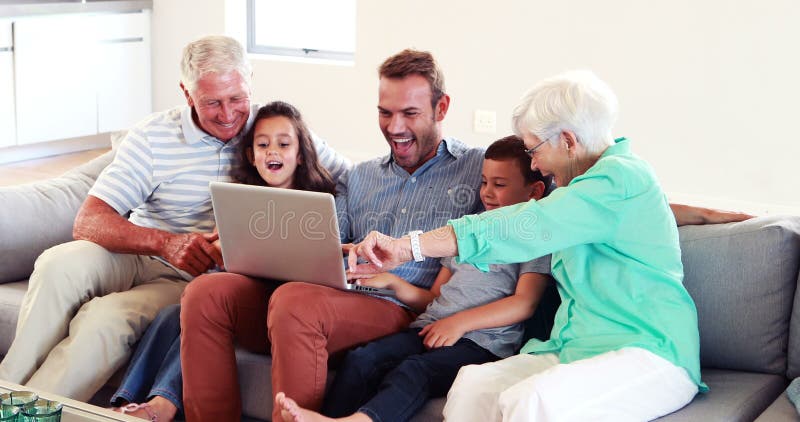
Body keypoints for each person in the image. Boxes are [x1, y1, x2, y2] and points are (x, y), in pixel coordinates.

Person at [346, 70, 721, 421]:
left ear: (569, 141)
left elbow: (525, 224)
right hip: (573, 349)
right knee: (472, 385)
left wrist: (409, 246)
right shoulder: (587, 193)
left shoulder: (620, 178)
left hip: (650, 354)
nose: (536, 165)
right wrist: (706, 214)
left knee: (531, 400)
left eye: (534, 150)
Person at [0, 35, 349, 402]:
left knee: (107, 317)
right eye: (212, 102)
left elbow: (352, 181)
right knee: (58, 263)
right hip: (137, 253)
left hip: (191, 278)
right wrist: (164, 243)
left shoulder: (271, 131)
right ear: (187, 93)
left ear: (250, 81)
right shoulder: (154, 136)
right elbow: (88, 221)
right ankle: (7, 387)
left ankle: (30, 408)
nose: (228, 114)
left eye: (237, 99)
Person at [179, 48, 486, 422]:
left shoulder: (479, 169)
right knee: (206, 293)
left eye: (410, 113)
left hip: (400, 309)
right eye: (385, 113)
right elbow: (318, 246)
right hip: (332, 298)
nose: (395, 127)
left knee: (296, 301)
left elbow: (523, 201)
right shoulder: (359, 177)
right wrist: (245, 241)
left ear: (442, 109)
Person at [275, 136, 554, 422]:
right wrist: (393, 283)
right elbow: (434, 297)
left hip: (482, 344)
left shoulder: (532, 237)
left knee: (413, 371)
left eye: (500, 184)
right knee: (362, 360)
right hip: (431, 327)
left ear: (534, 191)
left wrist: (460, 322)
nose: (487, 193)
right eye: (484, 182)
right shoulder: (466, 230)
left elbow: (525, 303)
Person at [108, 101, 336, 421]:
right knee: (172, 315)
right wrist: (223, 246)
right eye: (263, 145)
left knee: (208, 308)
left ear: (300, 154)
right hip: (242, 297)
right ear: (251, 155)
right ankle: (126, 402)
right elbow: (223, 265)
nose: (273, 152)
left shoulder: (321, 201)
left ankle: (163, 404)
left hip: (286, 310)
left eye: (284, 145)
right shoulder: (240, 199)